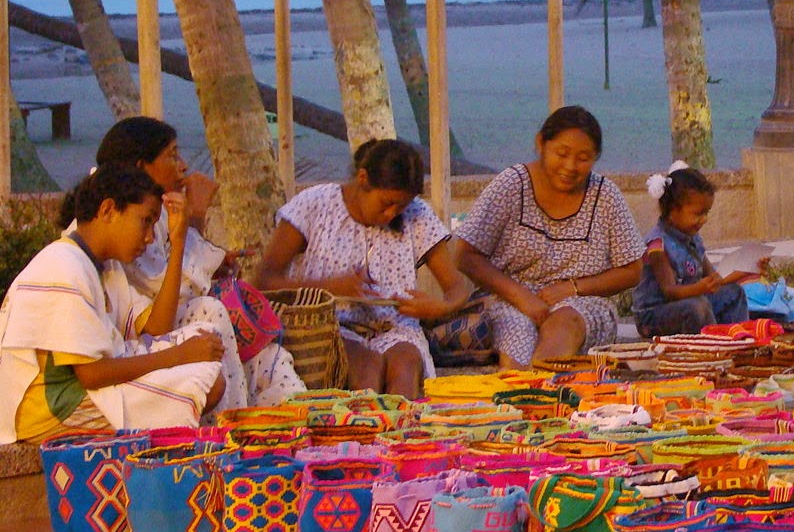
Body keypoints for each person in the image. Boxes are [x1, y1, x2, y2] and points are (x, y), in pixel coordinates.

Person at [0, 166, 226, 443]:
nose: (150, 238)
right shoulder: (64, 266)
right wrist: (179, 356)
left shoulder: (102, 267)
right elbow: (92, 374)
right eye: (145, 221)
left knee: (204, 336)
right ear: (108, 210)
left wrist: (178, 244)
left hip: (78, 393)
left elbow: (155, 329)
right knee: (207, 382)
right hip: (52, 411)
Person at [90, 117, 305, 409]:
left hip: (155, 331)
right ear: (141, 167)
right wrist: (196, 216)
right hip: (137, 344)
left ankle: (292, 411)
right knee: (210, 310)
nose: (183, 166)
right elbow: (172, 299)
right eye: (172, 155)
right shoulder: (124, 216)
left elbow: (183, 276)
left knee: (267, 354)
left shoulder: (153, 208)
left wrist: (204, 250)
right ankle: (233, 419)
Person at [254, 139, 468, 397]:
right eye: (386, 203)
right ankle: (363, 420)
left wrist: (440, 307)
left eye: (400, 207)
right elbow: (263, 281)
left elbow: (457, 287)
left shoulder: (416, 214)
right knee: (366, 370)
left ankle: (404, 422)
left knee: (405, 366)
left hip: (396, 329)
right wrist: (329, 288)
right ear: (363, 178)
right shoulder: (314, 205)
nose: (391, 214)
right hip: (331, 330)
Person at [455, 105, 646, 368]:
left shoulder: (605, 195)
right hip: (510, 299)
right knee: (516, 335)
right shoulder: (511, 185)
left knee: (565, 323)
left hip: (583, 305)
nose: (570, 166)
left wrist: (573, 288)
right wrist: (522, 297)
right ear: (541, 144)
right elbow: (466, 256)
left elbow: (632, 270)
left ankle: (544, 384)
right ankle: (519, 387)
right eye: (562, 154)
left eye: (583, 158)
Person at [630, 163, 750, 337]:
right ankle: (710, 346)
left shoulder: (693, 239)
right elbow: (670, 291)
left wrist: (747, 270)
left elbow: (713, 278)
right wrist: (699, 288)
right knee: (697, 306)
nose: (704, 219)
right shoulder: (657, 245)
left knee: (733, 293)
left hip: (691, 301)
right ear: (673, 210)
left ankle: (739, 340)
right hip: (655, 315)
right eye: (698, 214)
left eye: (706, 213)